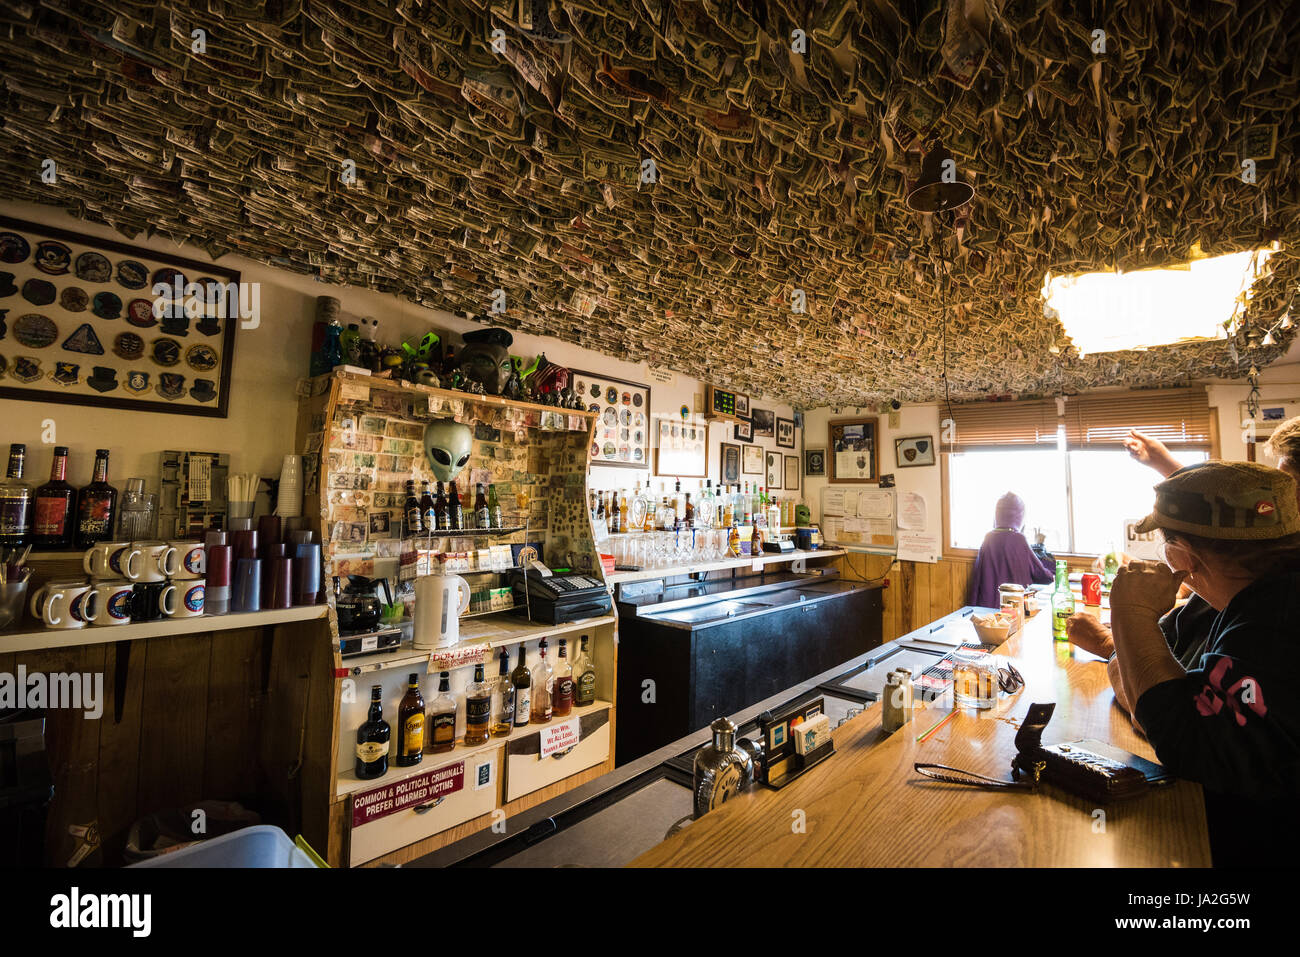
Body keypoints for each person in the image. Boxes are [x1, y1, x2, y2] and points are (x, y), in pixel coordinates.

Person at [1109, 461, 1300, 866]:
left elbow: (1185, 742)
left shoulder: (1274, 624)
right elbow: (1154, 695)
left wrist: (1130, 613)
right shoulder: (1244, 592)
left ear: (1181, 555)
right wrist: (1161, 700)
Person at [967, 492, 1054, 607]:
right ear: (1020, 516)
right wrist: (1042, 549)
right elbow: (1043, 575)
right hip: (1013, 608)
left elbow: (977, 583)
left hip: (986, 610)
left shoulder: (988, 538)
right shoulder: (1019, 539)